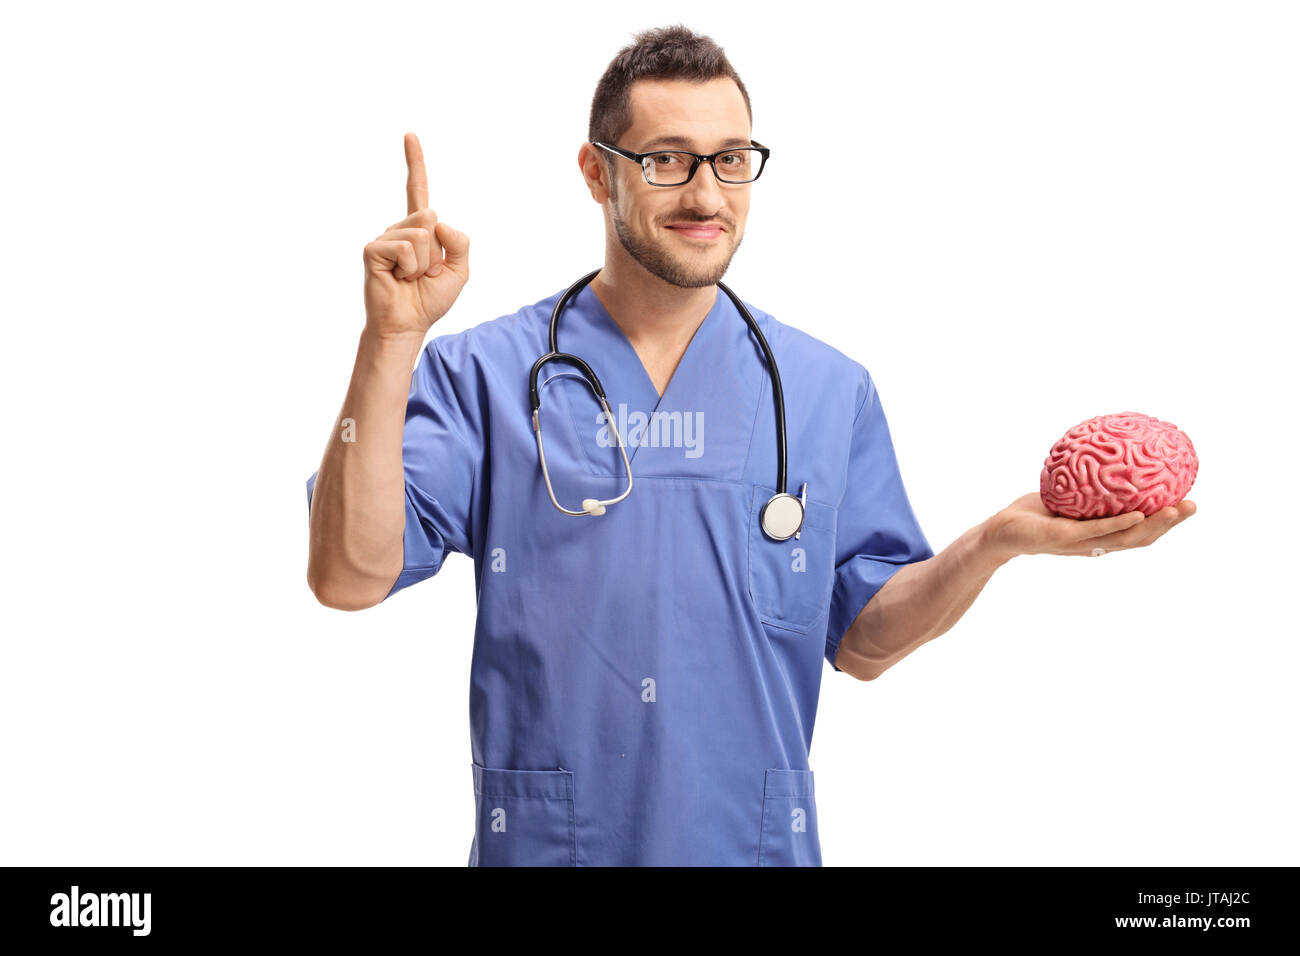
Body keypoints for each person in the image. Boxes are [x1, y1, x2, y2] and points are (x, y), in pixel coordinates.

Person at [305, 24, 1195, 866]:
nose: (705, 195)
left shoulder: (824, 389)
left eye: (730, 160)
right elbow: (347, 577)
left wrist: (995, 541)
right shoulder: (484, 374)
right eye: (666, 160)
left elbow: (864, 643)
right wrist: (390, 342)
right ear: (594, 172)